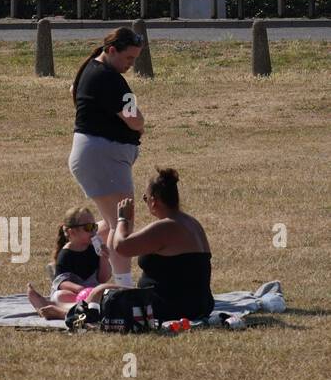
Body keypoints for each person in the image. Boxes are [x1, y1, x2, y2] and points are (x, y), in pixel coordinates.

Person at [67, 26, 146, 288]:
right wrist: (141, 124)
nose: (130, 65)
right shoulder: (110, 78)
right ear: (112, 51)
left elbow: (73, 93)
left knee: (112, 221)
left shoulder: (89, 69)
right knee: (122, 225)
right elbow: (135, 120)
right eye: (128, 59)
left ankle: (71, 258)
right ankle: (124, 288)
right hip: (103, 156)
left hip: (96, 154)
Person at [109, 167, 214, 322]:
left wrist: (122, 219)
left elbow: (121, 246)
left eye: (145, 198)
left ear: (153, 200)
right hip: (201, 305)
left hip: (170, 307)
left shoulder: (166, 227)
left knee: (102, 292)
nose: (146, 203)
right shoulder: (192, 223)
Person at [26, 205, 112, 319]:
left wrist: (104, 258)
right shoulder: (66, 254)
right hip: (73, 294)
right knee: (60, 296)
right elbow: (61, 282)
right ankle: (47, 305)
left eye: (94, 226)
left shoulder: (94, 250)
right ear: (72, 232)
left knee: (109, 293)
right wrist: (80, 289)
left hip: (92, 293)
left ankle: (59, 310)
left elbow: (103, 278)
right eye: (88, 227)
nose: (93, 231)